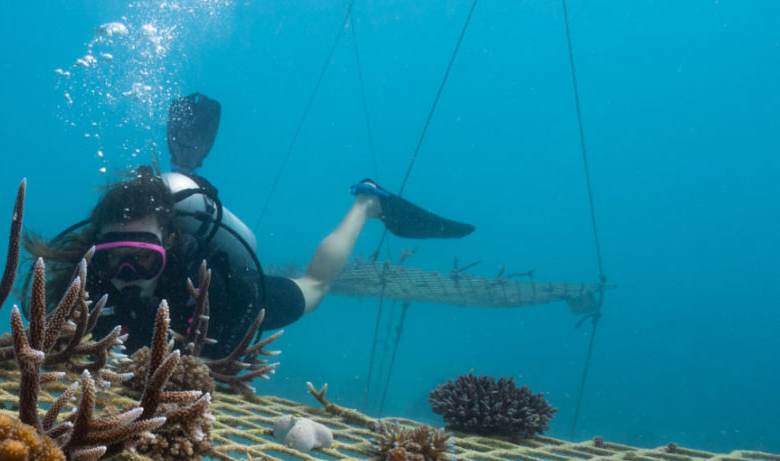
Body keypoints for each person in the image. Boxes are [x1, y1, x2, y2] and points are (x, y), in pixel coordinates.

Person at [26, 93, 474, 358]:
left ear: (172, 250)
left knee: (314, 287)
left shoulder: (220, 294)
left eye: (144, 260)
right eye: (114, 261)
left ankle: (368, 204)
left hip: (217, 284)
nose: (126, 276)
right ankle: (183, 164)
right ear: (94, 258)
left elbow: (227, 352)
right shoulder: (78, 289)